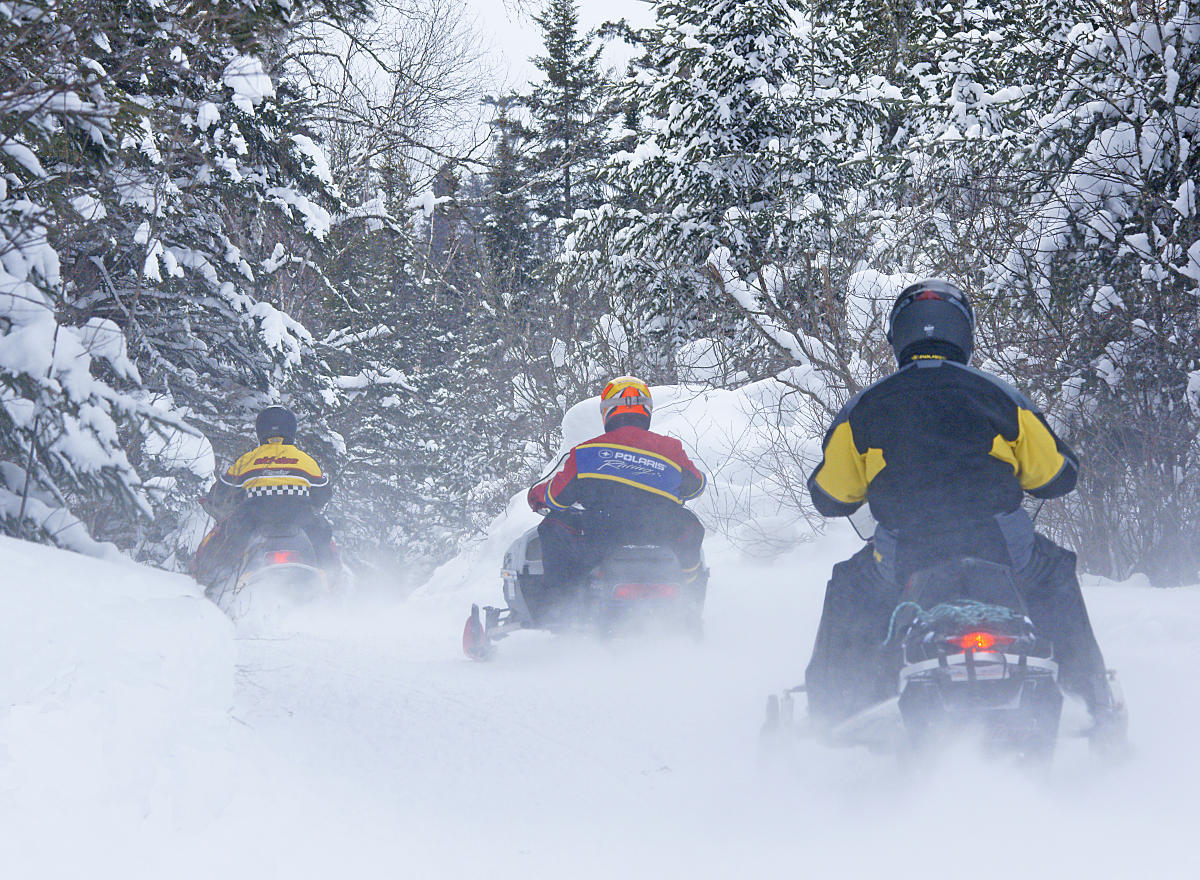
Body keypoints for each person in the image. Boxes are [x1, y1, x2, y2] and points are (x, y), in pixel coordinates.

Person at [804, 279, 1125, 742]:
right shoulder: (1001, 397)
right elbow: (1058, 477)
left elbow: (830, 497)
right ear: (965, 334)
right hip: (1004, 555)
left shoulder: (865, 408)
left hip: (904, 558)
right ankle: (1096, 705)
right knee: (1057, 573)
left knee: (848, 587)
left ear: (899, 336)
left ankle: (831, 716)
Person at [526, 377, 707, 615]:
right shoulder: (671, 449)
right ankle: (690, 593)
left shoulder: (586, 452)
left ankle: (560, 605)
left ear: (608, 411)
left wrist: (536, 497)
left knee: (552, 527)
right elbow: (696, 486)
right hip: (662, 535)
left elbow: (557, 497)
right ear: (646, 410)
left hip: (602, 538)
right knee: (688, 523)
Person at [195, 405, 338, 590]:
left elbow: (220, 493)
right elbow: (323, 493)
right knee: (324, 542)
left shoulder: (247, 461)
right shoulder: (306, 461)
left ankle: (216, 590)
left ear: (260, 430)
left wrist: (216, 502)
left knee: (225, 546)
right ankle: (333, 587)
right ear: (291, 430)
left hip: (253, 521)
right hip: (301, 520)